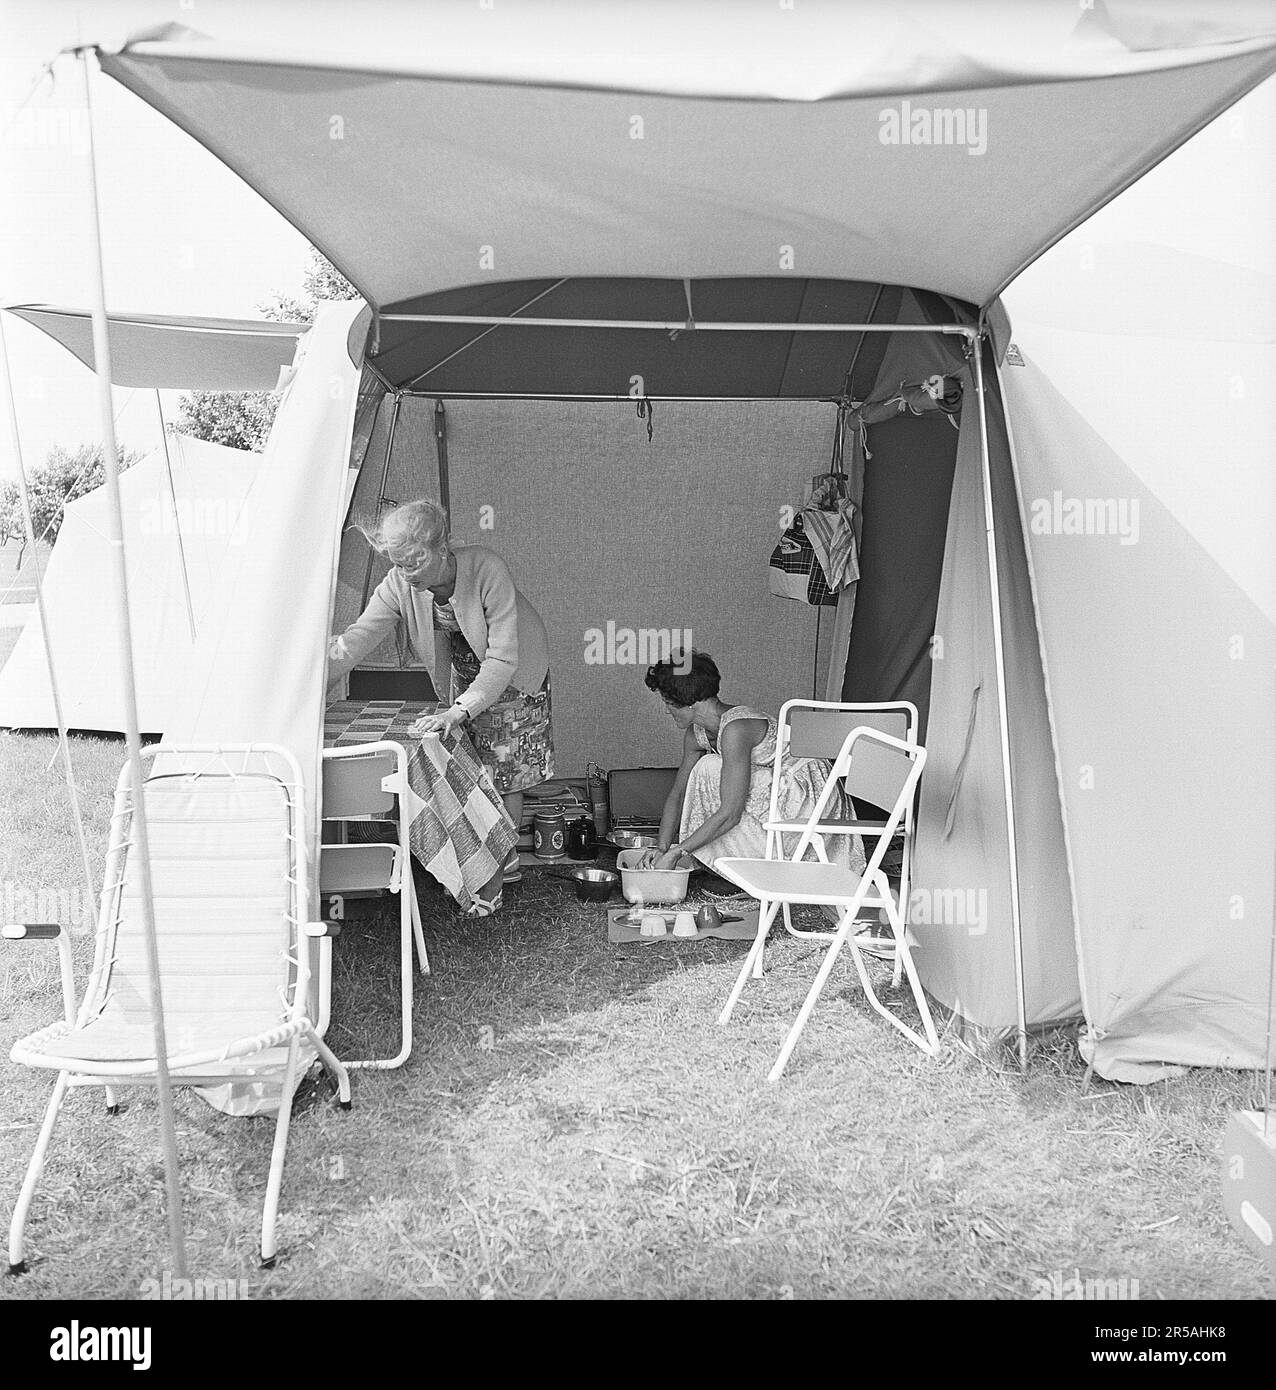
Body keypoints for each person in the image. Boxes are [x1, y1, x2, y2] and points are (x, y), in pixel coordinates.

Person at [327, 499, 552, 914]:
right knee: (470, 761)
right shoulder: (398, 583)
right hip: (467, 667)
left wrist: (459, 709)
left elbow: (502, 658)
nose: (406, 573)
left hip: (514, 666)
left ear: (441, 546)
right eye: (398, 564)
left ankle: (504, 863)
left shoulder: (486, 568)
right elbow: (358, 637)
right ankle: (476, 860)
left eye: (414, 562)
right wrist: (310, 676)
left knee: (507, 768)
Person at [641, 651, 863, 876]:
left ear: (689, 702)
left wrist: (678, 852)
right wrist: (661, 848)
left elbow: (731, 813)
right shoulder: (695, 734)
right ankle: (742, 869)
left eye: (667, 702)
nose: (665, 710)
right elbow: (677, 793)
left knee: (709, 768)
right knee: (711, 771)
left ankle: (756, 869)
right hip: (774, 795)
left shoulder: (736, 728)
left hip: (810, 800)